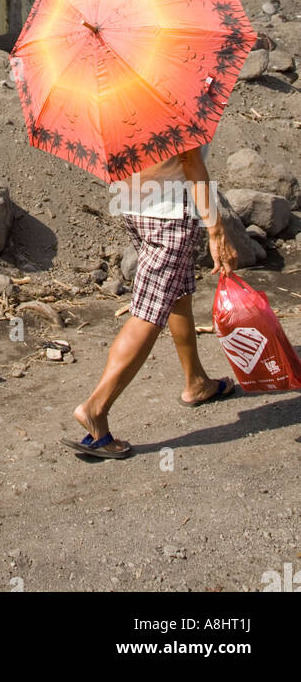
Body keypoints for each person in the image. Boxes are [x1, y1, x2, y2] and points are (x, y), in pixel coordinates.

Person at [62, 144, 238, 459]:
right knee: (148, 313)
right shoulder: (176, 98)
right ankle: (95, 409)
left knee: (175, 294)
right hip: (168, 213)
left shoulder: (126, 94)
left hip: (133, 204)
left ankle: (196, 381)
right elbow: (192, 164)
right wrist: (216, 230)